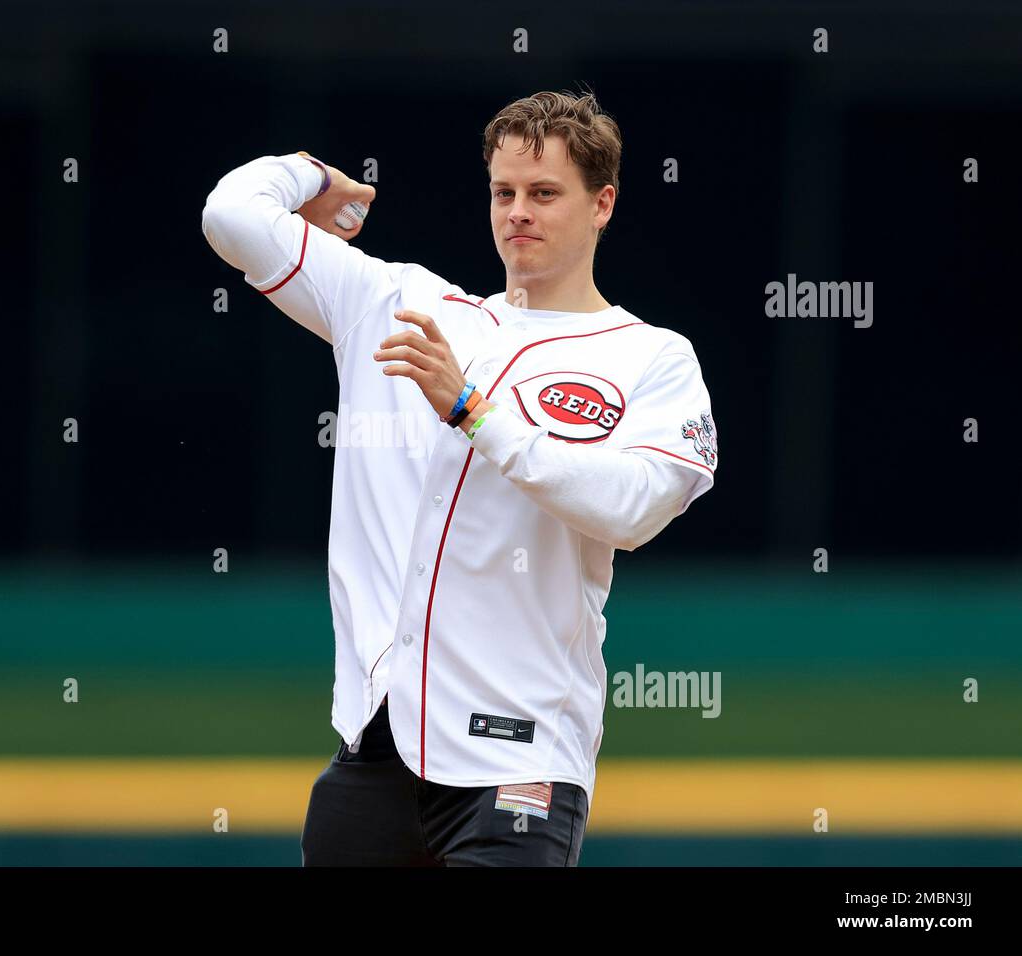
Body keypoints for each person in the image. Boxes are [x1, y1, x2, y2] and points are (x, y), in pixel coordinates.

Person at [201, 89, 718, 866]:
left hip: (520, 763)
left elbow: (634, 509)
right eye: (503, 192)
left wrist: (476, 412)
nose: (518, 212)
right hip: (372, 754)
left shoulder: (651, 357)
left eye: (545, 193)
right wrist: (310, 176)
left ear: (602, 203)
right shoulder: (403, 302)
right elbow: (232, 216)